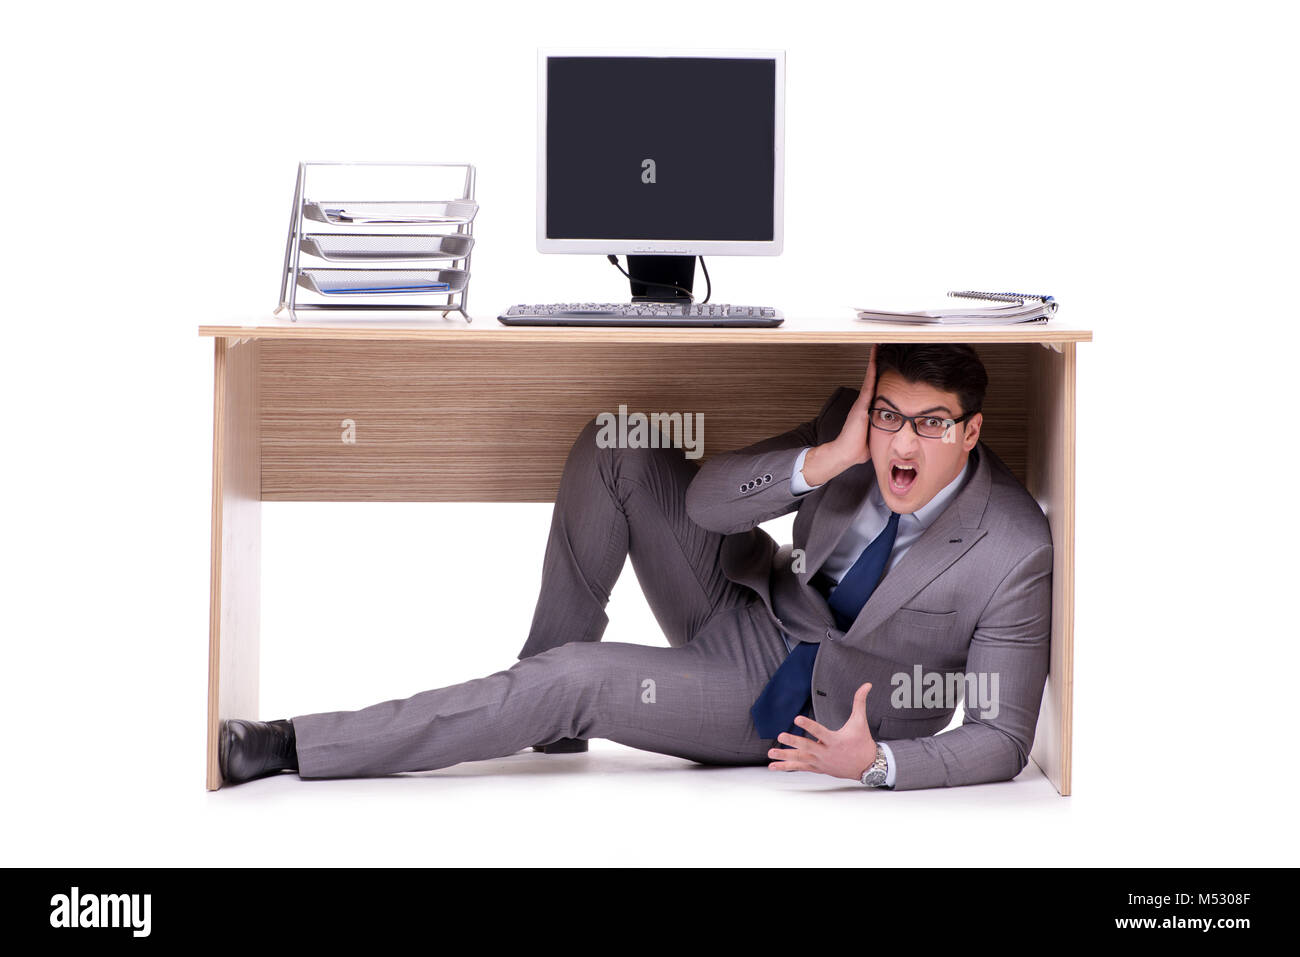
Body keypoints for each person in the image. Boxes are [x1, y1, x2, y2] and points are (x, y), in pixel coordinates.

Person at [220, 343, 1052, 790]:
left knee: (575, 673)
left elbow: (1004, 735)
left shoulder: (1014, 550)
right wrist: (826, 456)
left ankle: (300, 745)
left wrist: (874, 763)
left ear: (972, 432)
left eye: (932, 424)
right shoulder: (854, 433)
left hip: (792, 698)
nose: (903, 443)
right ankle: (542, 705)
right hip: (749, 596)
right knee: (618, 443)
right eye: (889, 416)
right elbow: (706, 507)